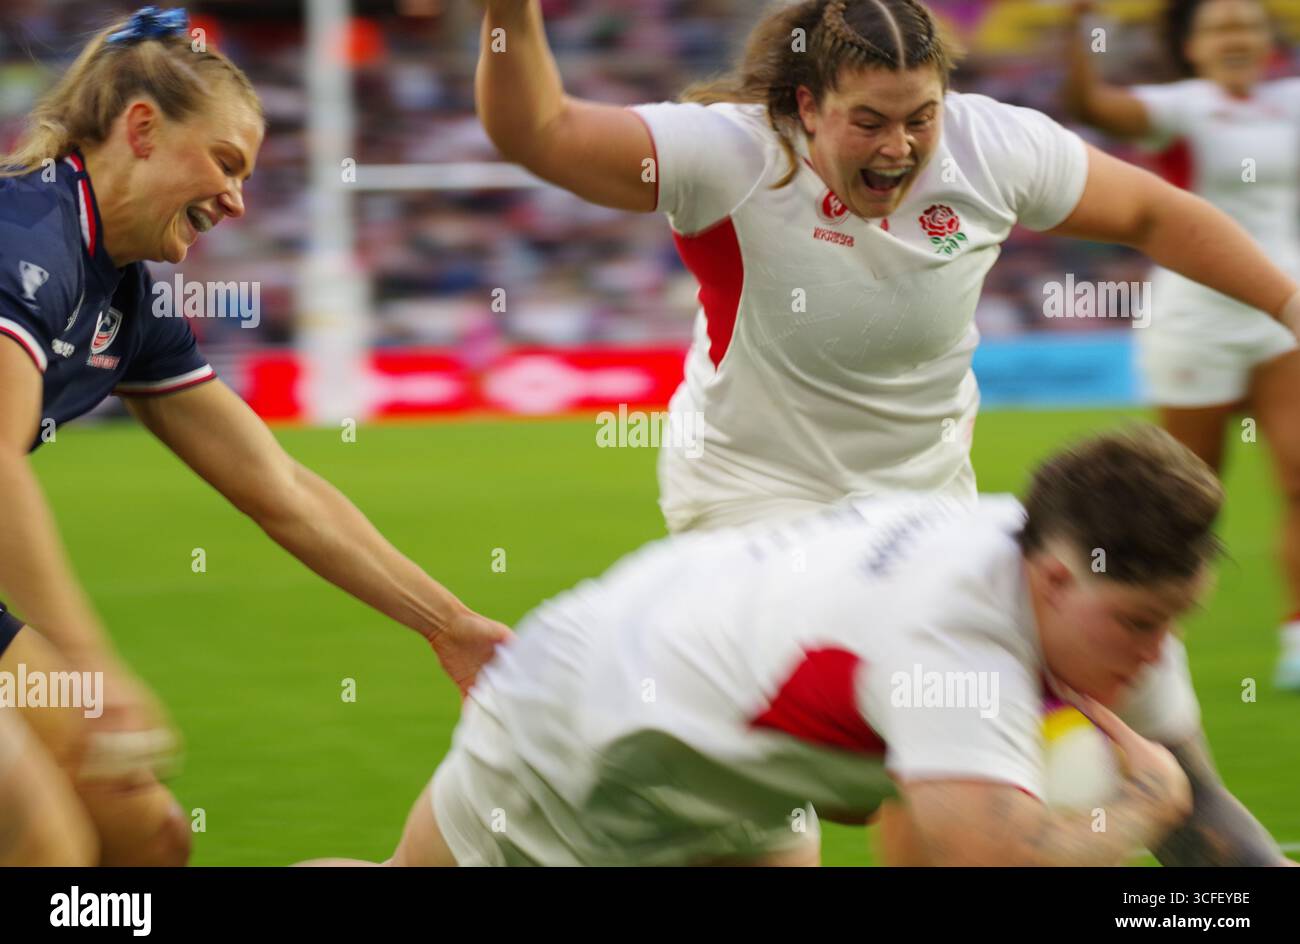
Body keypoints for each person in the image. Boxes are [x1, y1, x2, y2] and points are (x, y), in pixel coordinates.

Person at [475, 0, 1300, 536]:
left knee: (942, 761)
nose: (899, 146)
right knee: (780, 768)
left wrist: (1289, 303)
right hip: (749, 499)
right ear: (803, 106)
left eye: (921, 118)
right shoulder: (731, 154)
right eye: (868, 121)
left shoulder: (996, 145)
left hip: (928, 502)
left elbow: (1157, 213)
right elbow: (538, 134)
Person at [0, 6, 508, 866]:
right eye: (226, 164)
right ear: (142, 128)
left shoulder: (129, 295)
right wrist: (98, 670)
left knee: (147, 837)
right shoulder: (24, 237)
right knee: (45, 843)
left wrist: (447, 624)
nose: (237, 200)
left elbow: (281, 488)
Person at [327, 425, 1293, 866]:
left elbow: (1207, 821)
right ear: (1051, 579)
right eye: (1138, 623)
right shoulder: (950, 642)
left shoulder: (1083, 577)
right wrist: (1136, 811)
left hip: (726, 752)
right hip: (579, 729)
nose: (1158, 651)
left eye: (1174, 621)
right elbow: (992, 855)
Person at [1063, 0, 1300, 690]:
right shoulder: (1181, 108)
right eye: (1220, 27)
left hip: (1283, 310)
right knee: (1188, 497)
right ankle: (1150, 642)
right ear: (1191, 47)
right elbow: (1092, 107)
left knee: (1298, 475)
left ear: (1268, 41)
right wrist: (1080, 32)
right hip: (1195, 317)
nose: (1237, 38)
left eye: (1249, 26)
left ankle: (1295, 638)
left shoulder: (1291, 100)